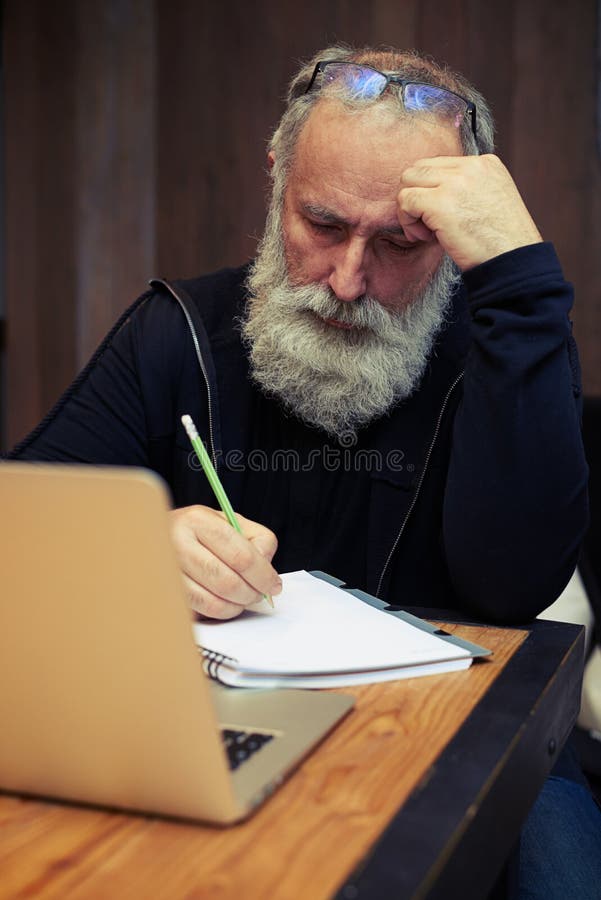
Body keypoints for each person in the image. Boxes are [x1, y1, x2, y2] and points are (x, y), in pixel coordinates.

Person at [6, 45, 601, 897]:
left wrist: (522, 280)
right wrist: (142, 546)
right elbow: (19, 540)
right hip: (207, 731)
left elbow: (513, 589)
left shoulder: (504, 342)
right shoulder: (176, 330)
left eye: (401, 242)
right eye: (321, 225)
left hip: (468, 737)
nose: (347, 281)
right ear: (276, 173)